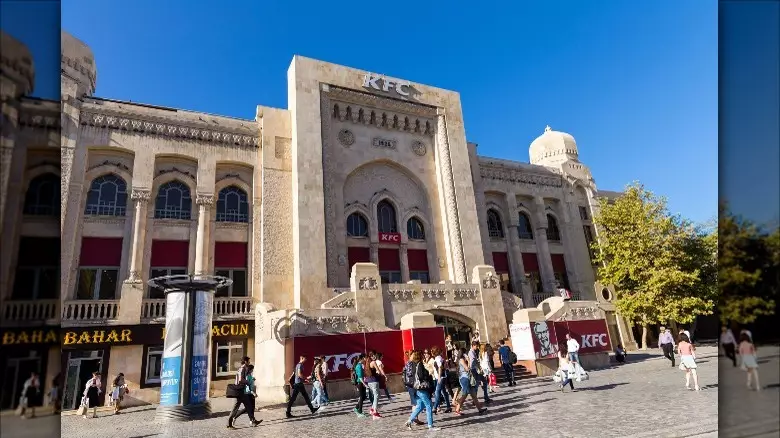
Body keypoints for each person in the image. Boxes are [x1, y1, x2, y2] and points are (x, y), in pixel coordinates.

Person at [403, 351, 438, 431]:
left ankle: (409, 421)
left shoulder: (413, 364)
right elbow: (421, 375)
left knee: (420, 406)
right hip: (422, 388)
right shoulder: (420, 364)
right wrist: (427, 375)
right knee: (429, 405)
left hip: (416, 388)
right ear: (420, 356)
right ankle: (430, 425)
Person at [452, 348, 487, 416]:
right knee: (465, 394)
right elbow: (467, 368)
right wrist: (468, 360)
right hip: (464, 378)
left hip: (466, 377)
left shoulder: (462, 359)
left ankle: (480, 409)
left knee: (473, 395)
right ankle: (457, 409)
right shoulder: (461, 360)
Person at [228, 356, 252, 429]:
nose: (249, 362)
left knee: (249, 406)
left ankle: (253, 420)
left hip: (242, 391)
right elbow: (241, 380)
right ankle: (229, 424)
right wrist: (248, 382)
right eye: (248, 361)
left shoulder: (241, 369)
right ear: (245, 361)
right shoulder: (242, 369)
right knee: (235, 407)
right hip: (239, 391)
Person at [430, 346, 451, 414]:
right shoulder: (439, 358)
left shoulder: (438, 358)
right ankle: (448, 406)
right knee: (444, 392)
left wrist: (439, 377)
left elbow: (440, 367)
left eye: (432, 351)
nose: (431, 352)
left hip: (441, 378)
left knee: (437, 392)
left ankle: (435, 407)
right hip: (441, 377)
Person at [365, 353, 382, 418]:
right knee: (376, 396)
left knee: (376, 395)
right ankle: (375, 412)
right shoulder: (373, 362)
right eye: (374, 355)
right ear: (372, 356)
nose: (375, 357)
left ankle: (372, 409)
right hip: (374, 380)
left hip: (369, 381)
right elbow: (378, 371)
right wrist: (379, 372)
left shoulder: (367, 362)